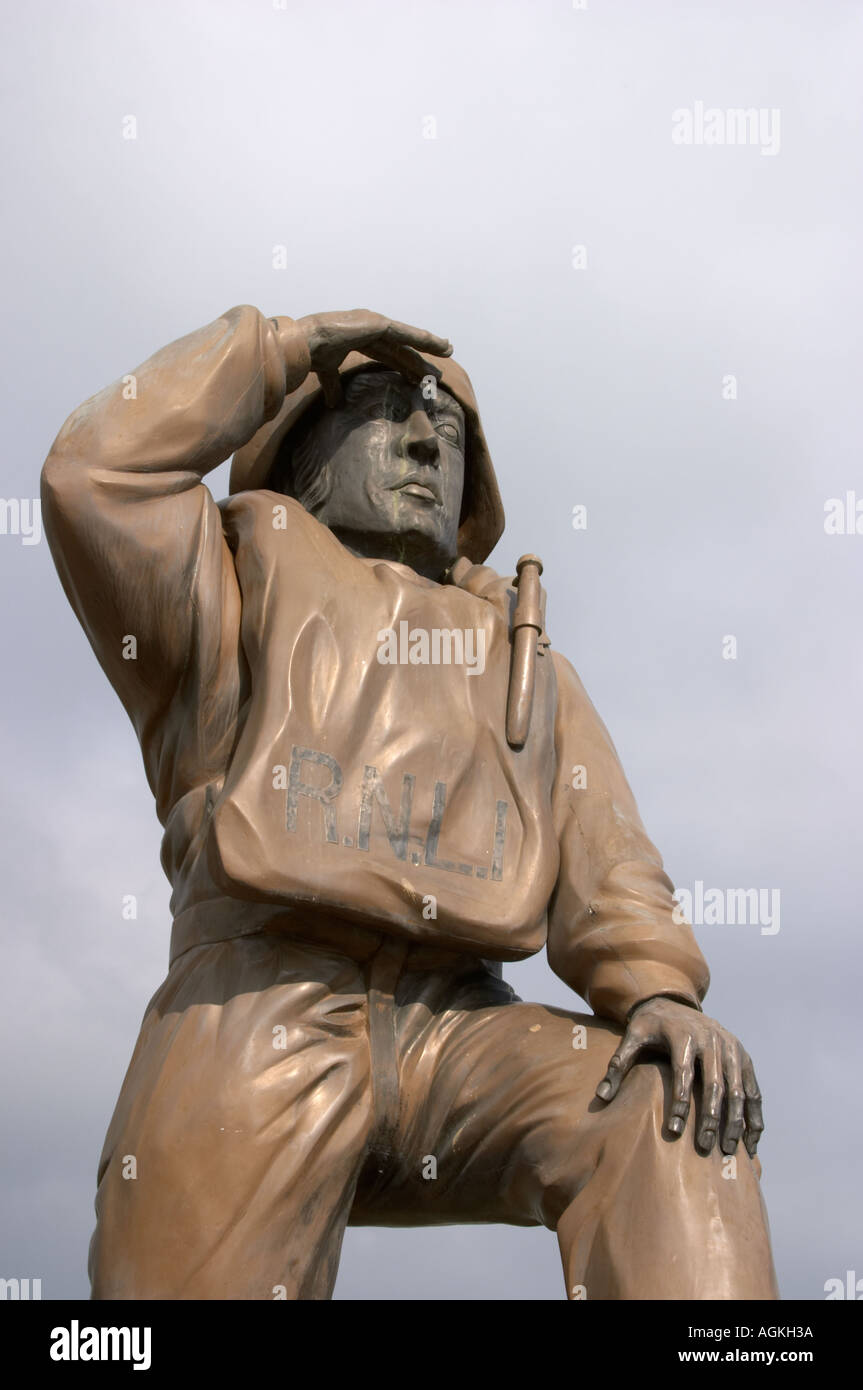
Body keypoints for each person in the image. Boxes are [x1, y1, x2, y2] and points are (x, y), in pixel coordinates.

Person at [41, 306, 779, 1300]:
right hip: (255, 1005)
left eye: (449, 429)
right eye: (387, 409)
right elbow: (95, 473)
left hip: (461, 1029)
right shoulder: (217, 586)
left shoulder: (524, 659)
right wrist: (273, 350)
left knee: (668, 1101)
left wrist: (656, 990)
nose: (428, 441)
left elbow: (606, 853)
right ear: (301, 453)